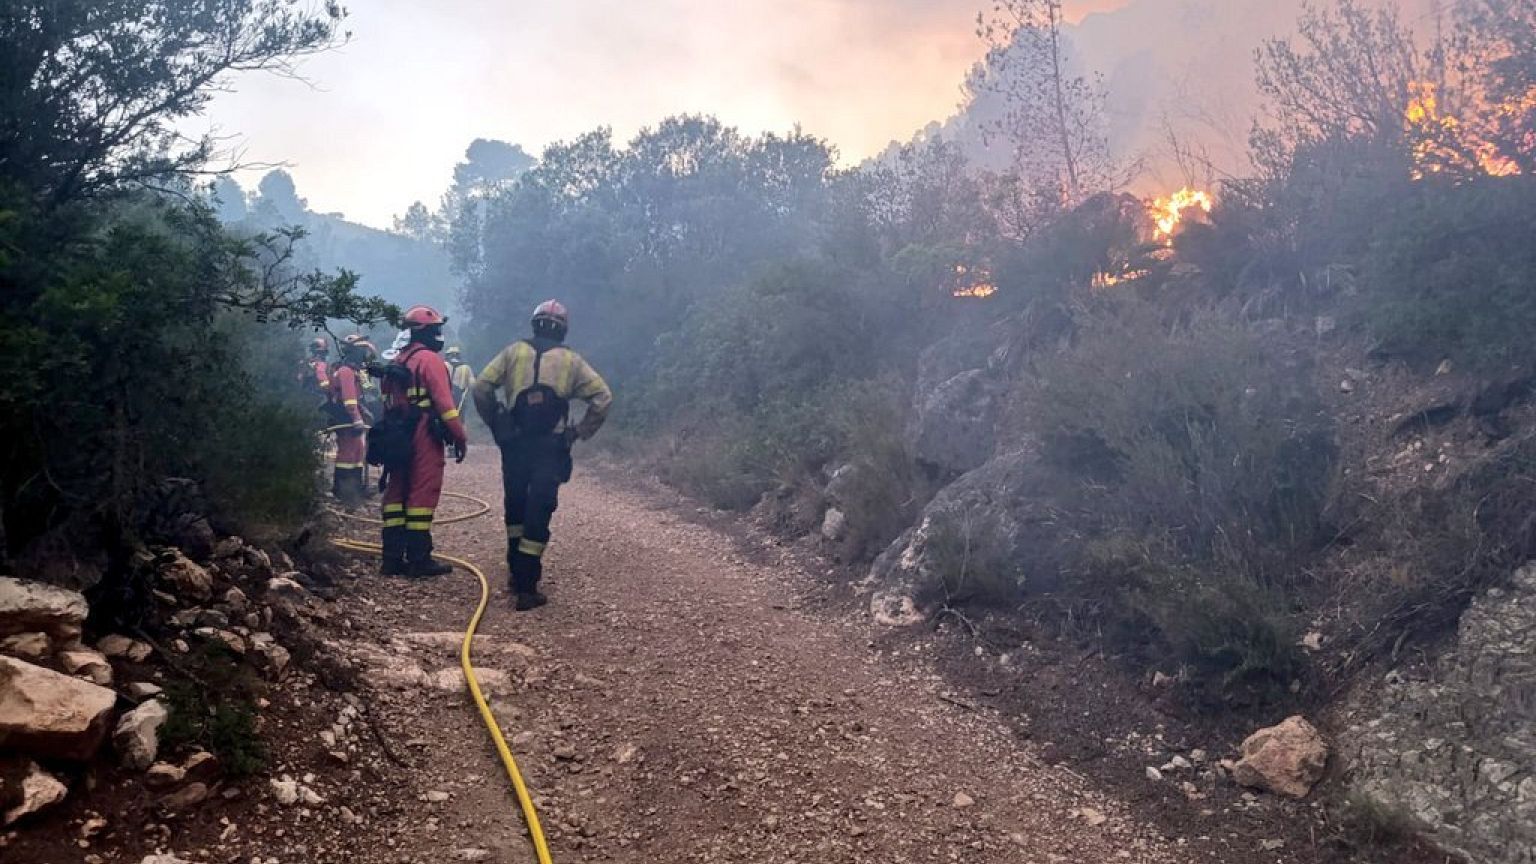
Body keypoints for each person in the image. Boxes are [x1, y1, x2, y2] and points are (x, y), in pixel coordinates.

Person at [472, 299, 612, 610]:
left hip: (516, 444)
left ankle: (514, 570)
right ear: (564, 329)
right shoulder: (572, 361)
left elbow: (481, 387)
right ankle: (527, 586)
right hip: (551, 446)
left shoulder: (513, 352)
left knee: (516, 505)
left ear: (534, 323)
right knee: (540, 508)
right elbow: (602, 398)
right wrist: (578, 432)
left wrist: (497, 422)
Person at [379, 306, 468, 578]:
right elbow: (445, 404)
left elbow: (386, 399)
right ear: (426, 332)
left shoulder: (396, 360)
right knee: (422, 491)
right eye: (436, 329)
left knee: (396, 491)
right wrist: (459, 436)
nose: (439, 335)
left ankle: (392, 558)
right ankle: (419, 559)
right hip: (423, 432)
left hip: (396, 431)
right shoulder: (430, 360)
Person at [328, 335, 375, 505]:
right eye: (363, 353)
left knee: (358, 450)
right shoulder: (346, 372)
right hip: (345, 417)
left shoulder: (353, 371)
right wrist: (356, 418)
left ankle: (355, 489)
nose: (364, 357)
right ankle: (343, 491)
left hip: (351, 416)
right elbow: (349, 400)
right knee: (347, 453)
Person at [446, 346, 475, 410]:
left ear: (448, 355)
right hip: (460, 400)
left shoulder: (443, 365)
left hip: (445, 398)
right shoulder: (466, 368)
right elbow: (472, 385)